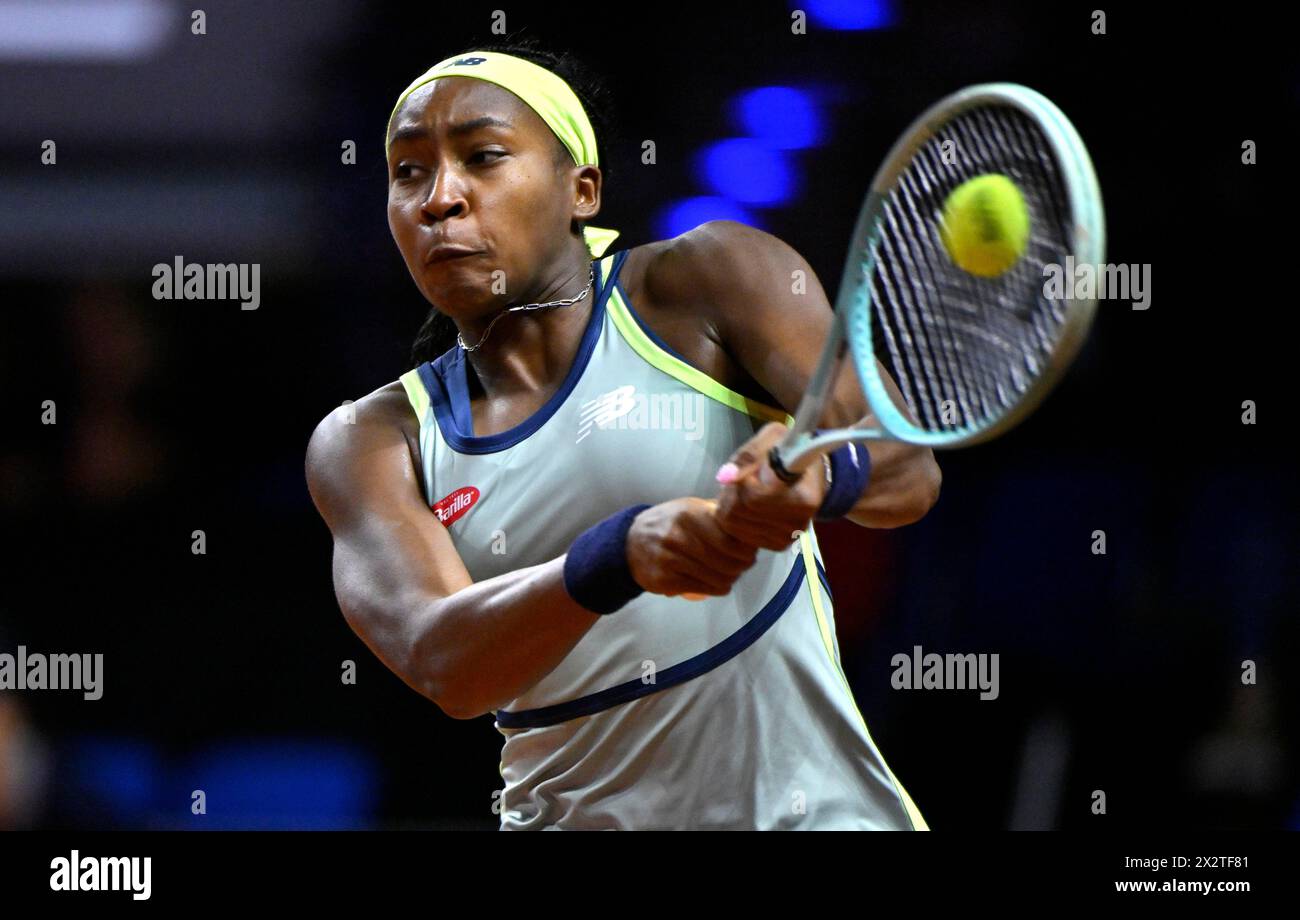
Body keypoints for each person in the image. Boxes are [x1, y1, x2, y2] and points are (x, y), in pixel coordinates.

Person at [306, 39, 942, 830]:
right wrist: (617, 555)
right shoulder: (372, 440)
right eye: (408, 172)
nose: (440, 197)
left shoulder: (708, 278)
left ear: (582, 189)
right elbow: (446, 664)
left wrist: (822, 476)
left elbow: (908, 471)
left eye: (484, 156)